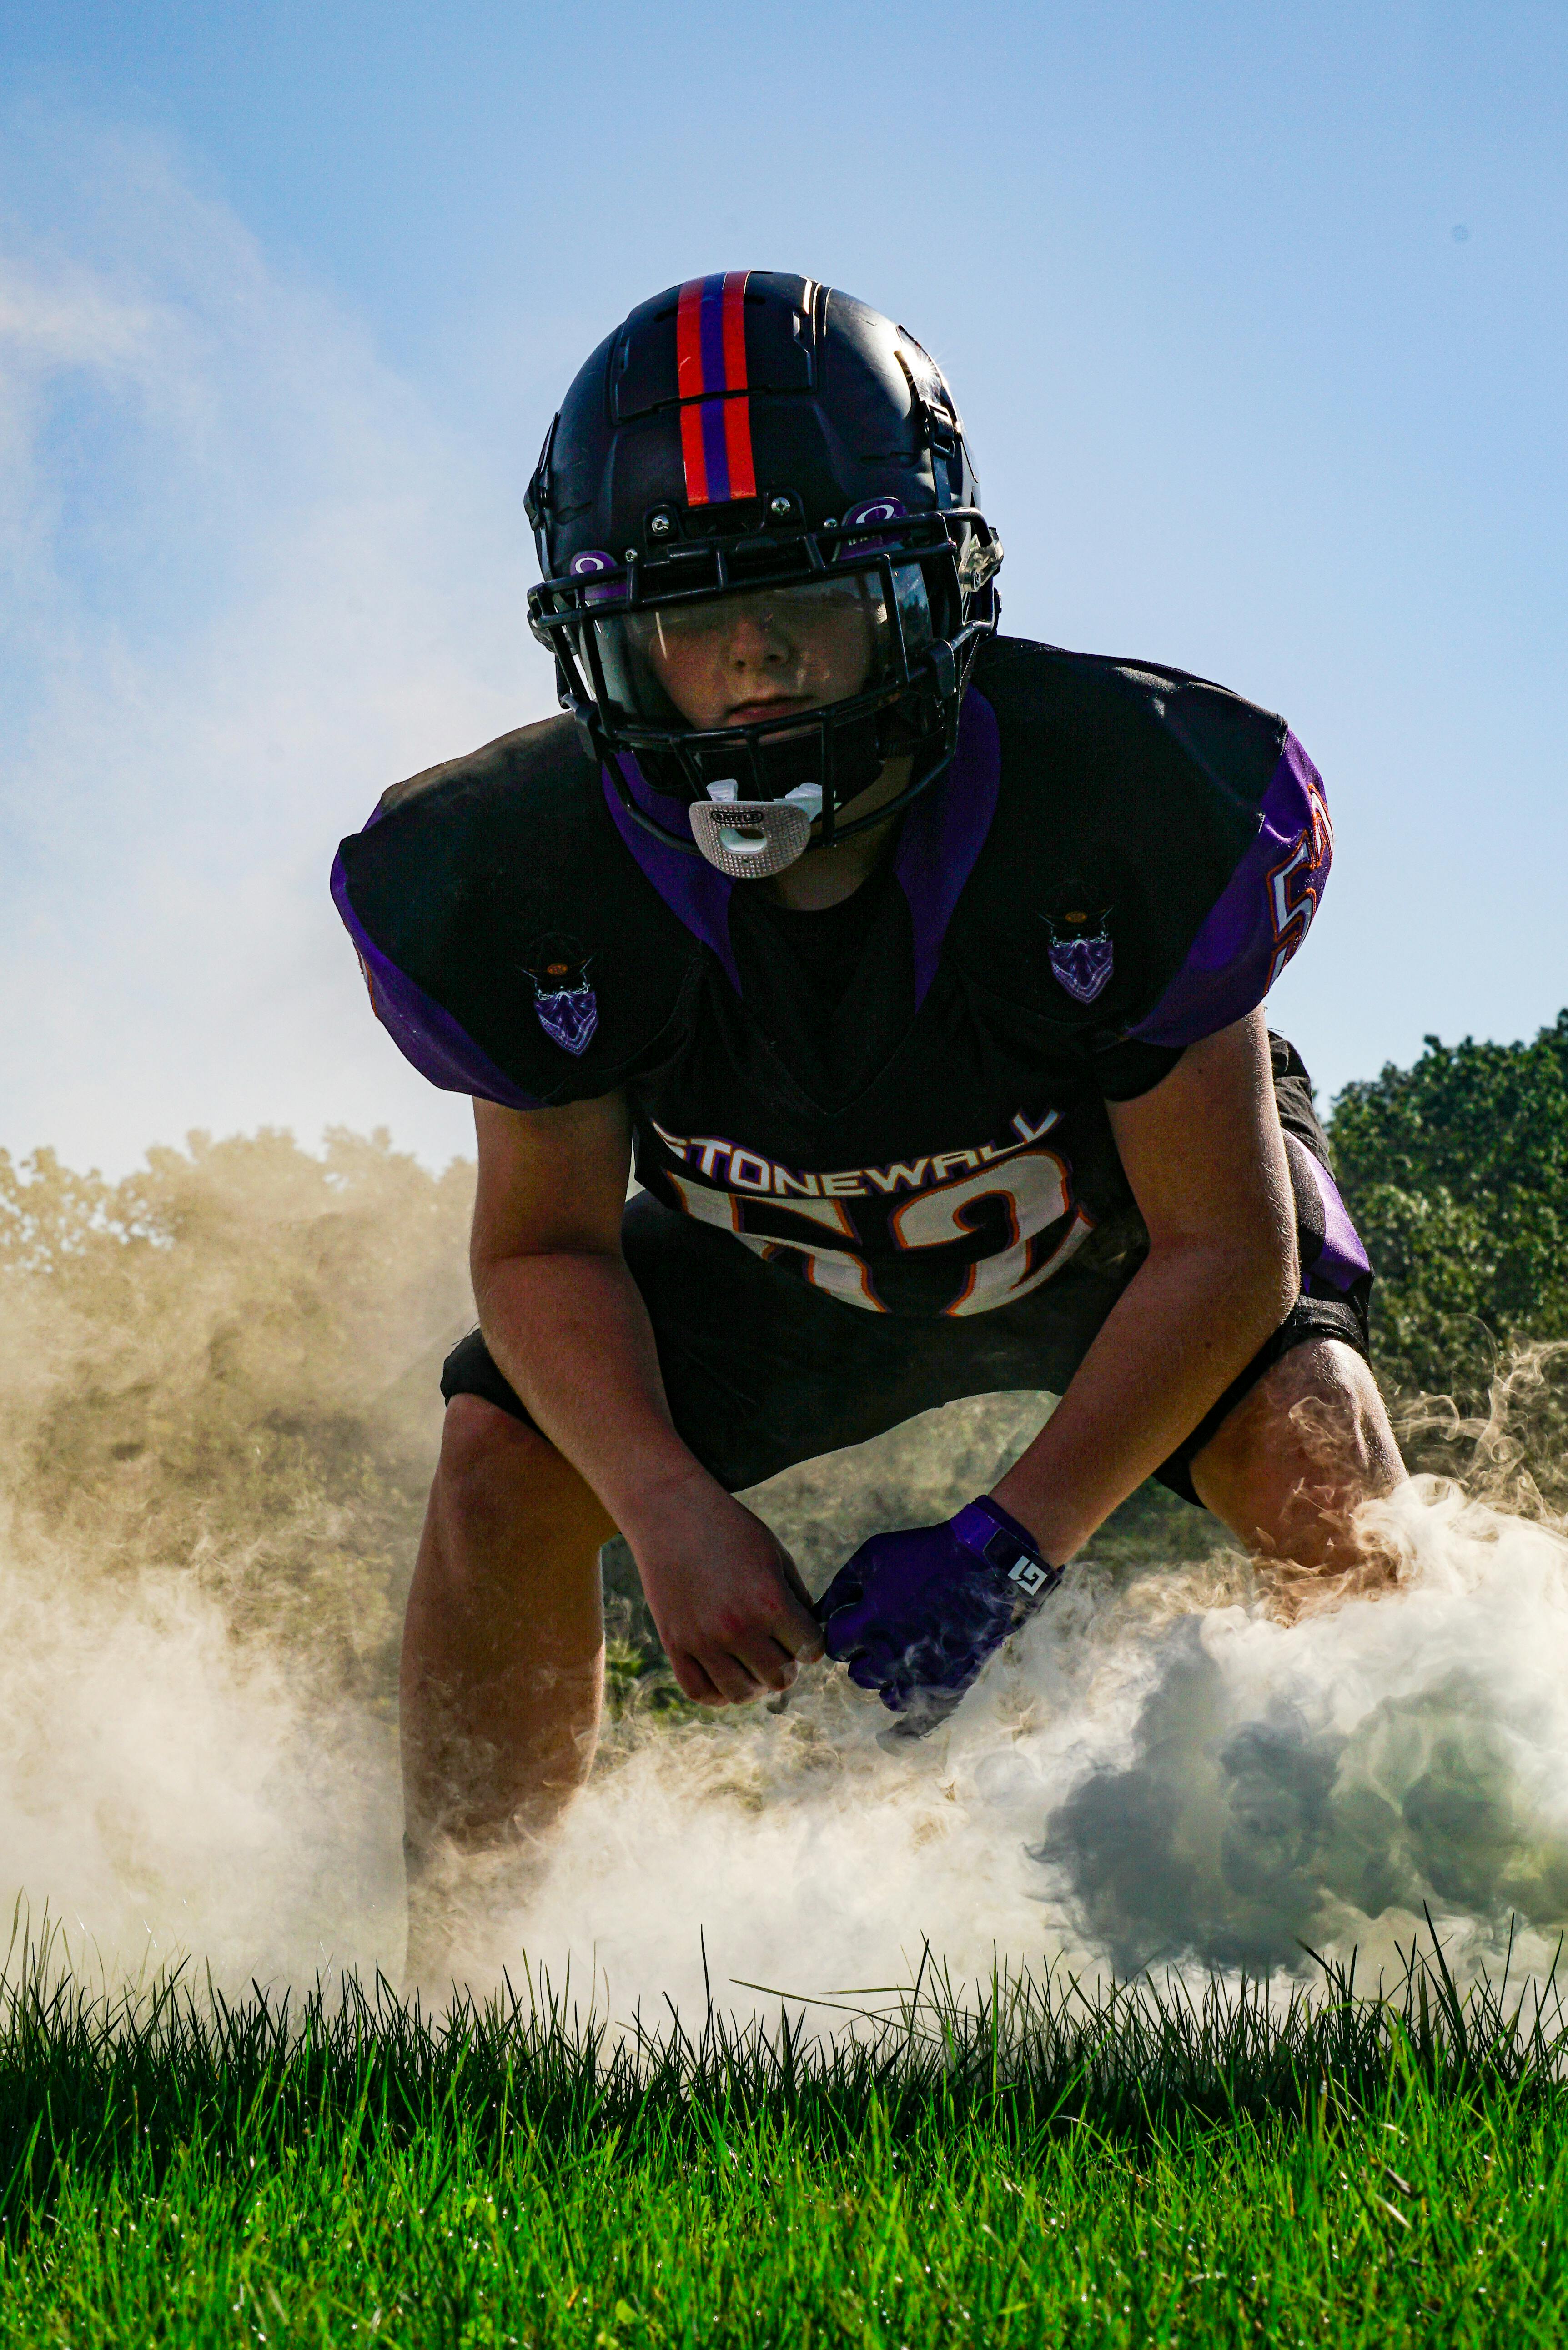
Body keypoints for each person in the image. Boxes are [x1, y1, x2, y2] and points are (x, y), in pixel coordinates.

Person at [332, 272, 1405, 1961]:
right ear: (602, 642)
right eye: (695, 616)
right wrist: (670, 1507)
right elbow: (540, 1246)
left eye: (808, 596)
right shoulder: (520, 867)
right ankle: (460, 1991)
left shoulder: (1125, 793)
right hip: (768, 1263)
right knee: (498, 1474)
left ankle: (1411, 1931)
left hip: (1108, 1235)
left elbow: (1222, 1249)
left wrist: (1012, 1545)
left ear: (929, 588)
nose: (755, 665)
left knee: (1317, 1445)